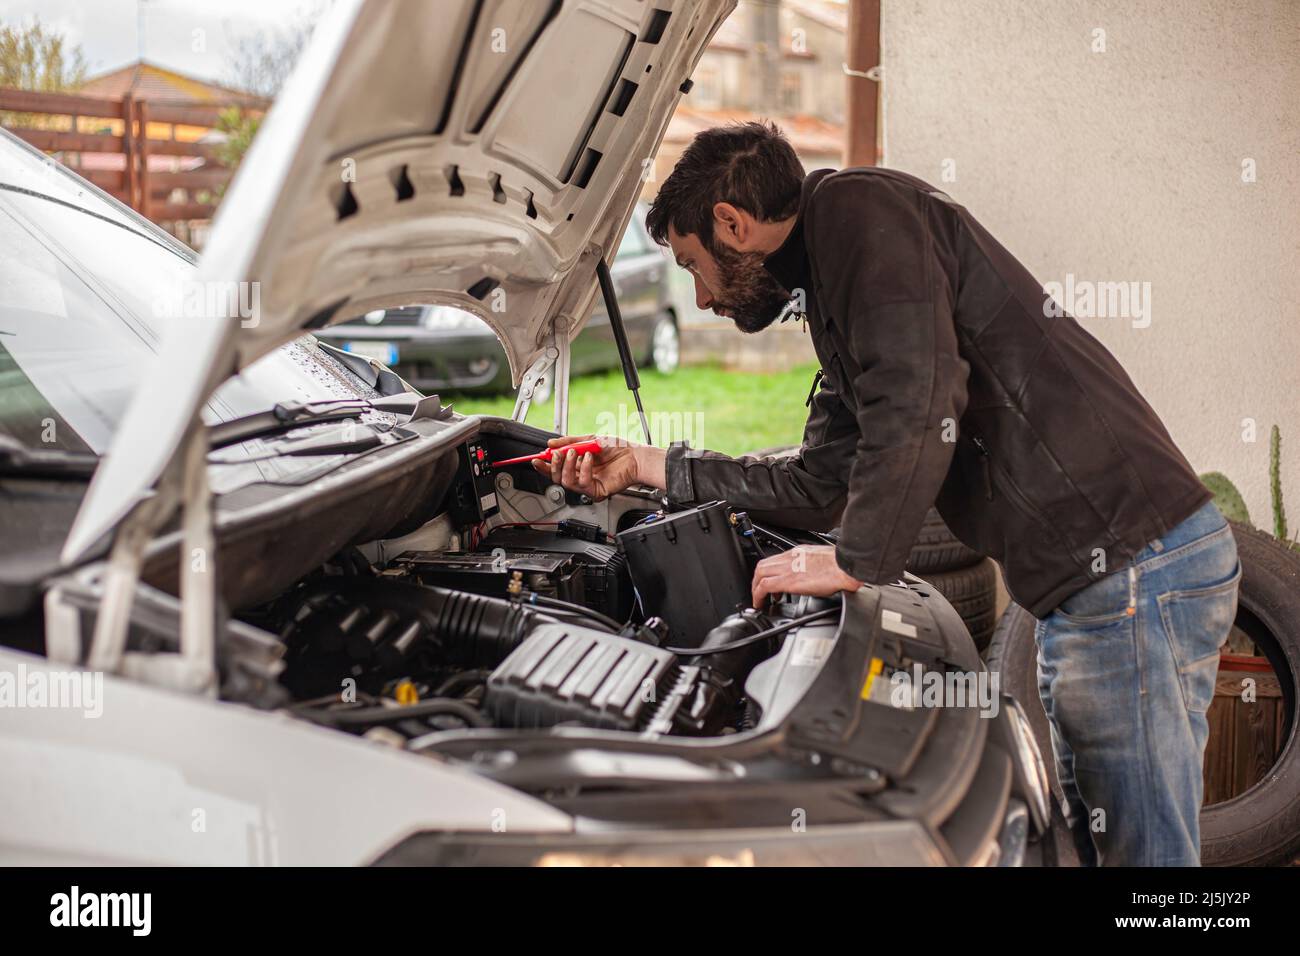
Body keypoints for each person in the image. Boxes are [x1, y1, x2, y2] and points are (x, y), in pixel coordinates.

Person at [537, 121, 1239, 866]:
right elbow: (816, 486)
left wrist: (858, 560)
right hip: (1110, 582)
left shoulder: (859, 214)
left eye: (692, 264)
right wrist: (649, 466)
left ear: (732, 224)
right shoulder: (840, 286)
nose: (702, 298)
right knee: (1108, 848)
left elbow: (922, 399)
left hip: (1133, 571)